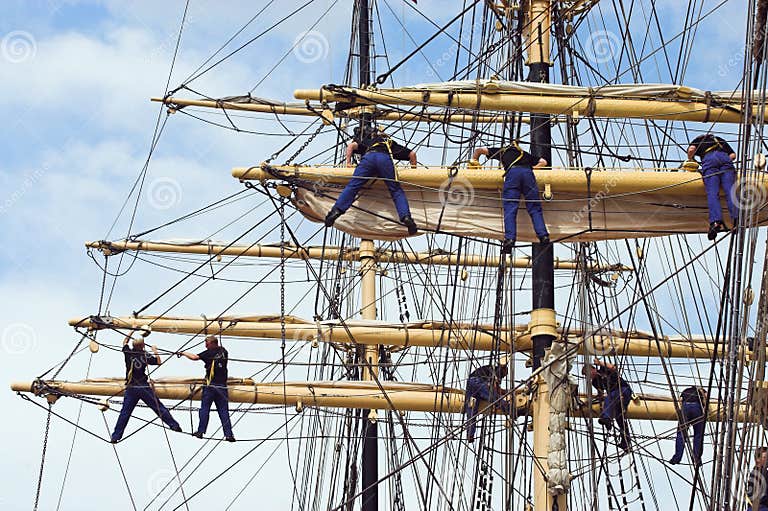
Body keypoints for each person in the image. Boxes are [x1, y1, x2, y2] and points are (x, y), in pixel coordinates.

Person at [325, 125, 418, 234]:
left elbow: (351, 146)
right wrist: (414, 171)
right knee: (396, 190)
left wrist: (348, 163)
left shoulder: (368, 141)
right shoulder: (390, 143)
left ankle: (335, 211)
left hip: (369, 158)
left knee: (353, 186)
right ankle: (406, 217)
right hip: (384, 159)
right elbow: (412, 154)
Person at [471, 142, 549, 253]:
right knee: (534, 208)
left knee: (510, 208)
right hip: (528, 174)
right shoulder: (525, 154)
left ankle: (510, 240)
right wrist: (532, 168)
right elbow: (543, 162)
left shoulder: (503, 151)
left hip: (513, 174)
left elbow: (479, 150)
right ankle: (543, 236)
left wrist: (474, 161)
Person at [110, 334, 181, 443]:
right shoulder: (145, 355)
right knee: (158, 407)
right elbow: (158, 362)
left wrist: (132, 331)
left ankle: (115, 436)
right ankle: (174, 425)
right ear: (142, 346)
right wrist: (155, 351)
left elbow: (124, 342)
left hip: (131, 388)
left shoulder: (128, 352)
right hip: (143, 386)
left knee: (125, 413)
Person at [179, 335, 235, 442]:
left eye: (207, 343)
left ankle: (201, 431)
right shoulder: (224, 352)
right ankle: (229, 435)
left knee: (204, 409)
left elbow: (194, 357)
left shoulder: (209, 353)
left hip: (210, 386)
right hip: (222, 387)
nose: (206, 346)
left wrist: (183, 353)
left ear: (212, 343)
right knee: (224, 412)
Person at [685, 133, 738, 240]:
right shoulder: (718, 139)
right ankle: (737, 219)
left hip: (709, 160)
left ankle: (716, 222)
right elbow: (733, 155)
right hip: (725, 159)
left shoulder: (698, 139)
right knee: (730, 191)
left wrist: (691, 159)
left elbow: (691, 150)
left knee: (713, 192)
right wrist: (724, 160)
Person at [585, 358, 633, 452]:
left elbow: (613, 368)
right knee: (619, 418)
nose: (588, 376)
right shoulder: (595, 382)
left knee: (609, 398)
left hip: (623, 389)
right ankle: (626, 442)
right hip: (614, 396)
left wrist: (600, 363)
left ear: (593, 369)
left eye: (587, 373)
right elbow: (601, 393)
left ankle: (607, 418)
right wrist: (591, 400)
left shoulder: (603, 369)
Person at [464, 355, 511, 442]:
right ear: (503, 369)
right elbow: (495, 389)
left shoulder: (489, 369)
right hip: (478, 382)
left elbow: (496, 388)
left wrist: (505, 391)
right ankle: (509, 409)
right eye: (505, 373)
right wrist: (507, 392)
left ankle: (470, 434)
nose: (504, 376)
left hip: (471, 384)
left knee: (471, 409)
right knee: (494, 398)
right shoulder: (496, 371)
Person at [669, 386, 707, 466]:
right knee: (698, 435)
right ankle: (696, 458)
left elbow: (680, 401)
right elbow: (705, 399)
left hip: (685, 407)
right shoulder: (701, 391)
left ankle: (677, 458)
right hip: (697, 408)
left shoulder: (685, 391)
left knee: (681, 435)